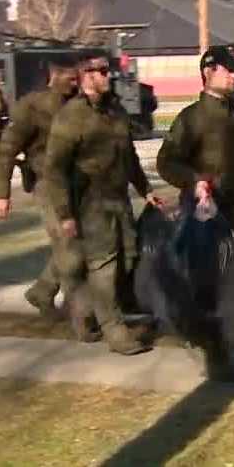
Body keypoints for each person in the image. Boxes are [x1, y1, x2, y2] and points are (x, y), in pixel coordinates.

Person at [44, 51, 160, 355]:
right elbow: (54, 169)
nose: (108, 76)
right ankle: (114, 330)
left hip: (118, 199)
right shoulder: (71, 117)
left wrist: (145, 189)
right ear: (84, 76)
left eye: (108, 70)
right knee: (104, 265)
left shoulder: (116, 110)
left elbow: (129, 155)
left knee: (126, 258)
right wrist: (65, 213)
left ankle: (84, 315)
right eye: (100, 71)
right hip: (90, 202)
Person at [156, 45, 234, 382]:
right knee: (212, 284)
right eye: (228, 70)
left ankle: (231, 336)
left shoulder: (226, 114)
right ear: (207, 73)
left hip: (228, 209)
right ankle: (216, 355)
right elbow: (166, 161)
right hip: (204, 212)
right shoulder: (193, 117)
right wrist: (194, 181)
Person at [0, 56, 89, 333]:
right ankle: (80, 315)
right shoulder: (32, 107)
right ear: (54, 74)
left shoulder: (83, 103)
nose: (75, 80)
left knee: (77, 244)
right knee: (69, 247)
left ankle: (43, 289)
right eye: (70, 75)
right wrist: (2, 194)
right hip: (47, 185)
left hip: (81, 185)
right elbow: (6, 150)